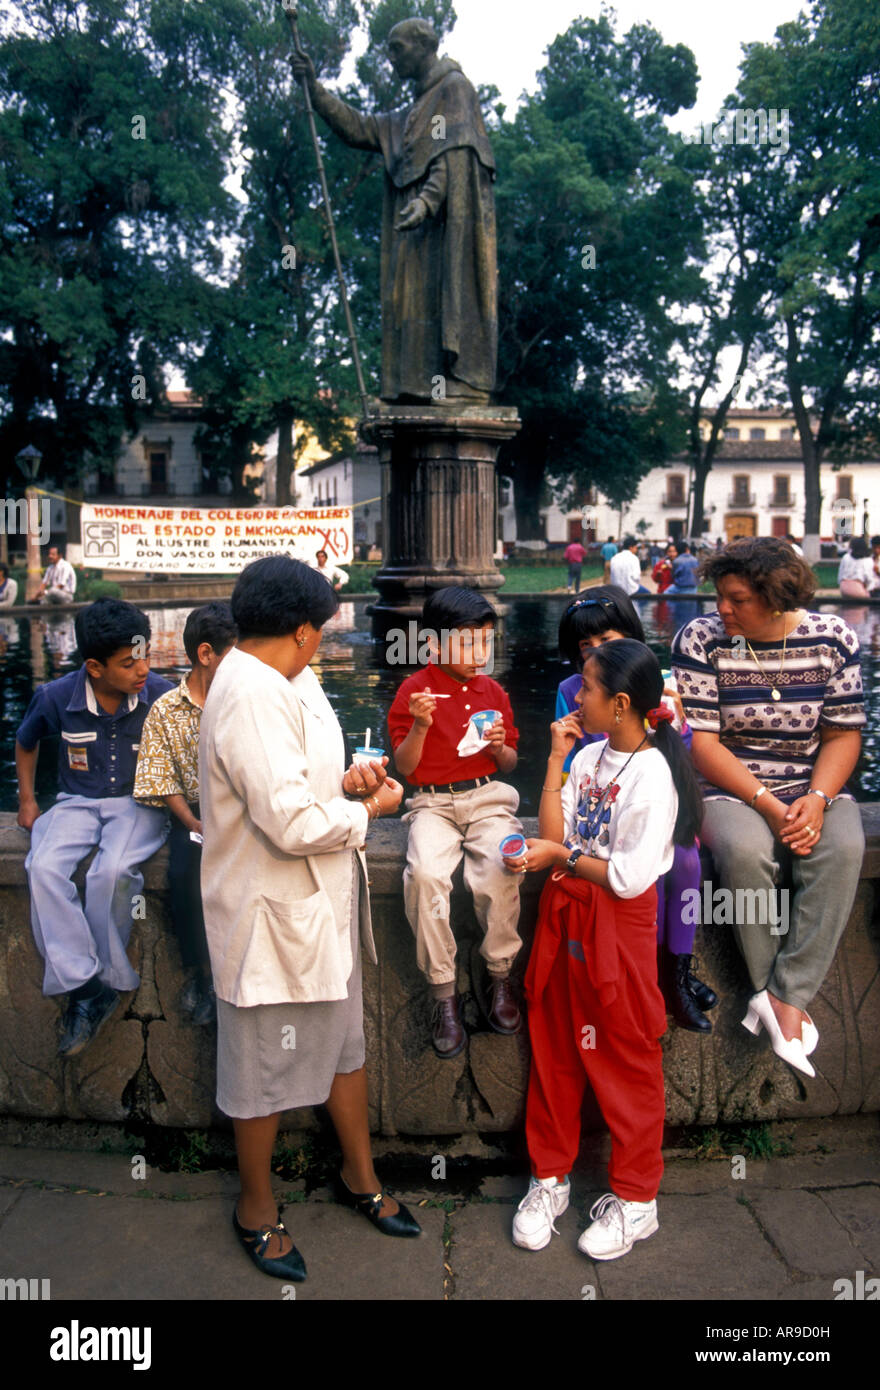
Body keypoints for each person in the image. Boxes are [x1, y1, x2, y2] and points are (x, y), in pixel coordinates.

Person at [199, 556, 420, 1284]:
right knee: (260, 1073)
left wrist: (349, 781)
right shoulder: (249, 694)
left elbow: (299, 780)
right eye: (320, 631)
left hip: (320, 904)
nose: (322, 642)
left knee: (344, 1047)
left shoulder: (289, 677)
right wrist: (369, 810)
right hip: (271, 917)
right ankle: (256, 1211)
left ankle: (361, 1177)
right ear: (299, 631)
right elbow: (291, 823)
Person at [508, 639, 702, 1259]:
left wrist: (560, 859)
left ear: (620, 703)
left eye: (586, 688)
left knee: (625, 1056)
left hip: (616, 929)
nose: (576, 696)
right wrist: (554, 761)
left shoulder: (653, 776)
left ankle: (637, 1198)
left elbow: (625, 876)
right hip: (566, 922)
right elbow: (553, 830)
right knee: (556, 1045)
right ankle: (549, 1179)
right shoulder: (589, 757)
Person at [672, 537, 866, 1078]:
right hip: (725, 785)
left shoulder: (833, 638)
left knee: (844, 847)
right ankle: (784, 1004)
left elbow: (842, 734)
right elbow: (703, 745)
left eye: (737, 599)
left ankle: (782, 997)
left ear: (777, 596)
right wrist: (766, 804)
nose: (722, 609)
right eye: (720, 597)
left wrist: (818, 799)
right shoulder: (702, 639)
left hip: (811, 780)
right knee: (743, 850)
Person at [292, 19, 497, 402]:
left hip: (440, 226)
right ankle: (415, 387)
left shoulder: (454, 90)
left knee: (444, 300)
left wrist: (427, 201)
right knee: (410, 304)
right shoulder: (413, 110)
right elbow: (361, 128)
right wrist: (314, 90)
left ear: (423, 46)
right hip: (416, 228)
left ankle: (458, 383)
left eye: (397, 48)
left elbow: (450, 154)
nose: (391, 57)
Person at [15, 599, 173, 1056]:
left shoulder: (161, 695)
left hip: (137, 803)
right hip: (74, 802)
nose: (143, 668)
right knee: (42, 866)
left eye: (145, 654)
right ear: (94, 667)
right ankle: (85, 987)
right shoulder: (55, 697)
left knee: (113, 872)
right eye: (128, 663)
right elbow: (26, 743)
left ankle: (106, 978)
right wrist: (28, 801)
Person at [555, 588, 714, 1031]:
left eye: (605, 639)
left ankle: (678, 971)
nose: (596, 652)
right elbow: (574, 765)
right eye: (585, 647)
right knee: (641, 876)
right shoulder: (573, 691)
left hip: (658, 802)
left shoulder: (658, 686)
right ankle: (655, 971)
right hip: (605, 810)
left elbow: (681, 756)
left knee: (684, 862)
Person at [387, 586, 523, 1057]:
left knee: (504, 868)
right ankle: (443, 990)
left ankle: (498, 974)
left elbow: (508, 764)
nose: (477, 654)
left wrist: (499, 746)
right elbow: (404, 769)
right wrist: (421, 726)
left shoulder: (493, 691)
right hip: (432, 805)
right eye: (465, 643)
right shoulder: (413, 692)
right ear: (433, 644)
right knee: (424, 874)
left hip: (487, 798)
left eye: (484, 642)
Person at [133, 602, 237, 1025]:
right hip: (193, 811)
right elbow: (164, 781)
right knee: (183, 875)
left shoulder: (244, 701)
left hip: (241, 805)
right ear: (205, 654)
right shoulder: (165, 710)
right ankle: (203, 973)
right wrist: (192, 822)